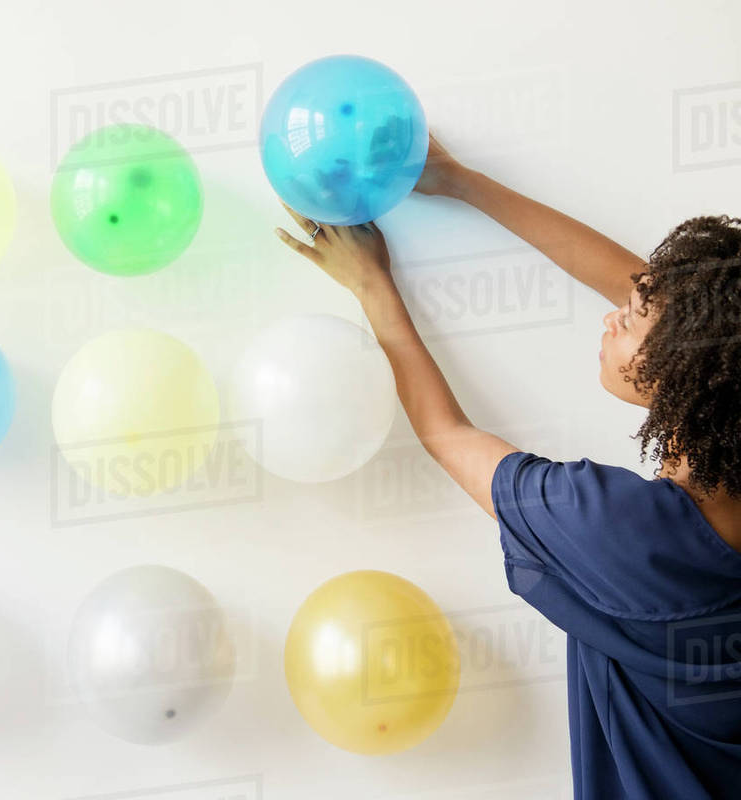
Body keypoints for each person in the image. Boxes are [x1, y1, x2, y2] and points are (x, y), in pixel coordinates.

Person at [274, 137, 741, 800]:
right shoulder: (723, 404)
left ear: (684, 368)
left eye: (633, 319)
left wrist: (371, 283)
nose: (614, 314)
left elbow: (447, 433)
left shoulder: (615, 529)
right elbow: (676, 308)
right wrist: (462, 182)